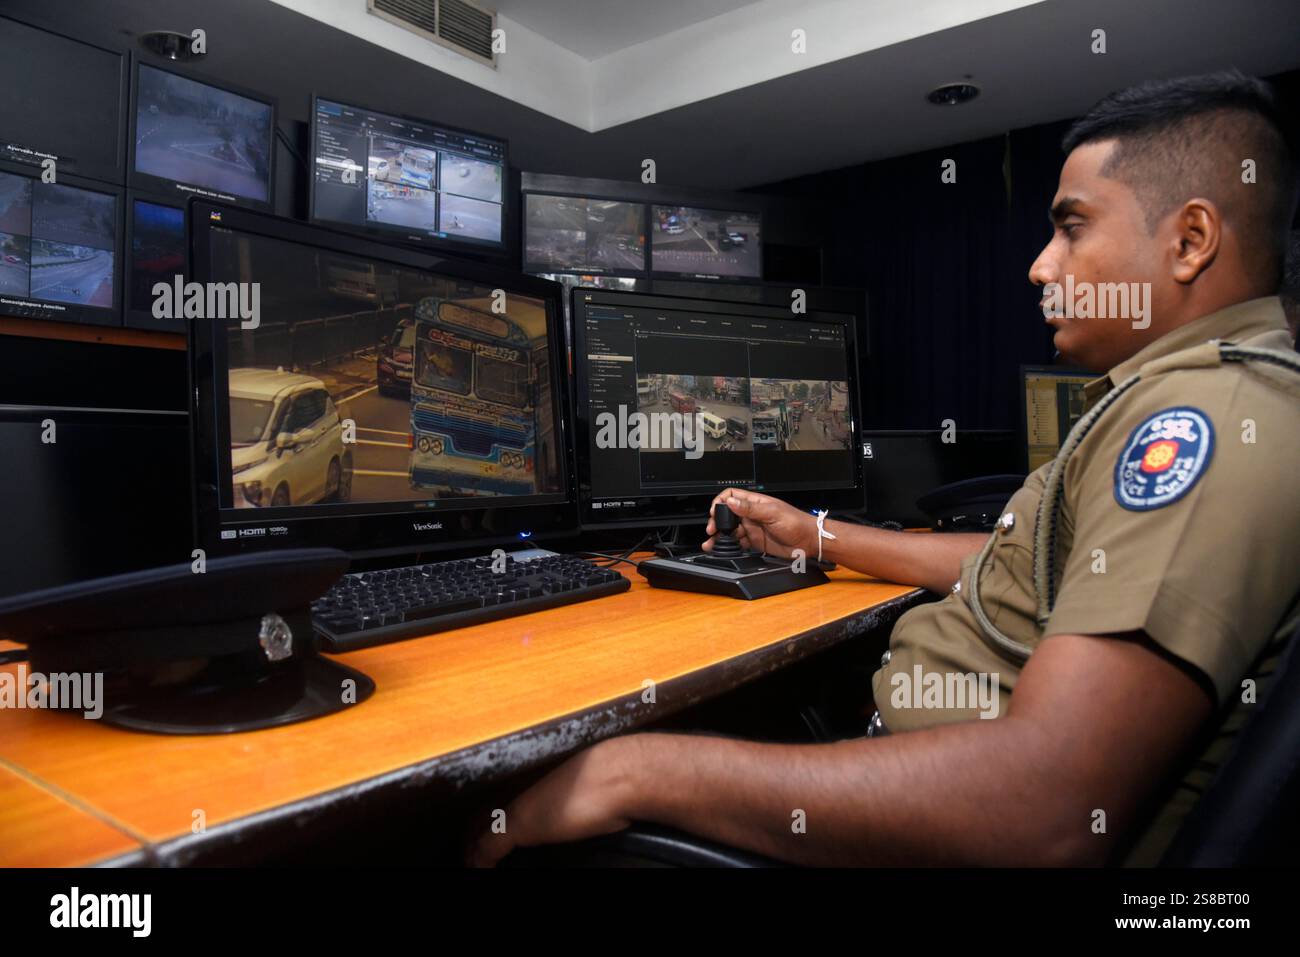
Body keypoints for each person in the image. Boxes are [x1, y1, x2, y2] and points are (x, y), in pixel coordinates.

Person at [469, 71, 1300, 867]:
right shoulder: (1194, 397)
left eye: (1072, 226)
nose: (1041, 267)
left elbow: (1043, 808)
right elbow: (1039, 563)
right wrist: (820, 534)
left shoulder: (1204, 425)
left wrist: (636, 771)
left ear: (1190, 240)